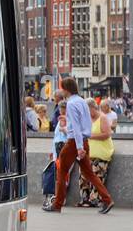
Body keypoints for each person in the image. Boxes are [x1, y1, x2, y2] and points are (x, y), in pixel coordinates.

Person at [42, 78, 113, 214]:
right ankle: (107, 199)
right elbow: (84, 123)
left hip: (74, 142)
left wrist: (79, 147)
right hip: (84, 141)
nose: (61, 90)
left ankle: (57, 204)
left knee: (61, 171)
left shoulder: (71, 104)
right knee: (89, 173)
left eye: (62, 88)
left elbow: (75, 127)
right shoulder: (82, 101)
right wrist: (82, 145)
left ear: (66, 89)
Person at [79, 100, 115, 207]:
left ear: (93, 108)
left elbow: (107, 134)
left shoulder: (103, 118)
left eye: (87, 110)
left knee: (97, 176)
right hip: (88, 153)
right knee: (83, 176)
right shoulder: (86, 119)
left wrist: (91, 135)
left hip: (101, 154)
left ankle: (95, 199)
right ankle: (85, 199)